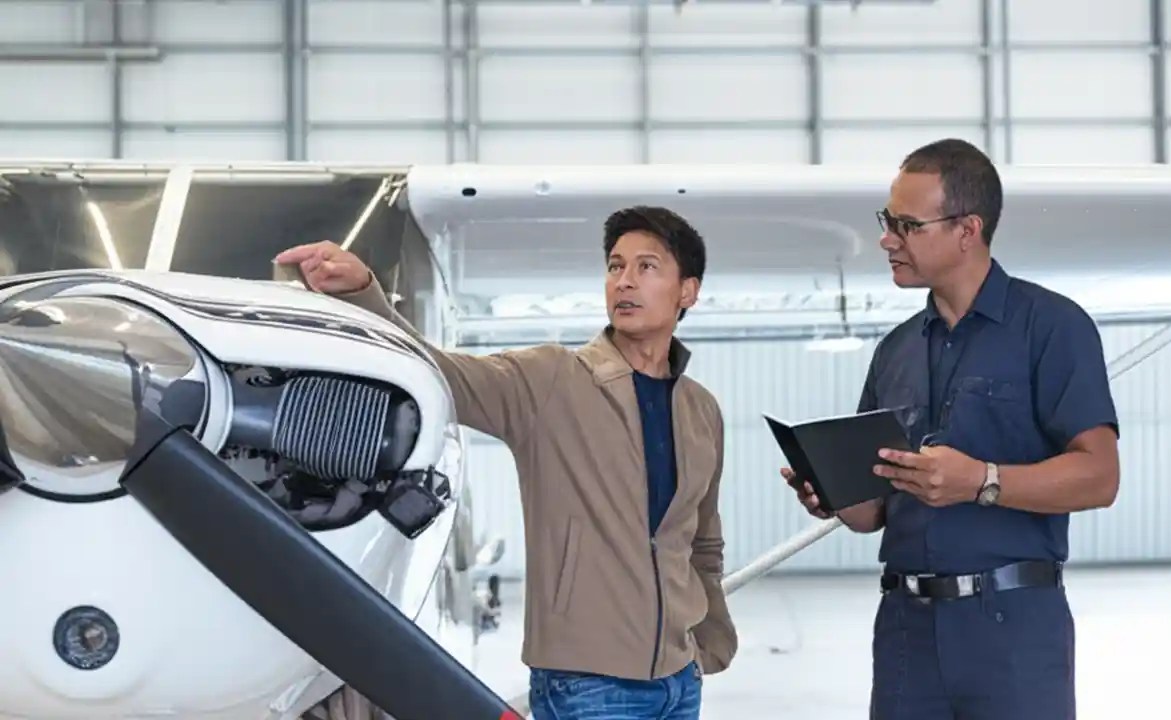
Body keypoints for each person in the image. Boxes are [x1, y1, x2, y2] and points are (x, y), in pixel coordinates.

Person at [275, 206, 736, 720]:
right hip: (587, 684)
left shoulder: (701, 410)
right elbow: (436, 371)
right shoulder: (551, 379)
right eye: (614, 266)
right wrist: (363, 293)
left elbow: (702, 542)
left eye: (646, 267)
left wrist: (708, 638)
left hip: (679, 681)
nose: (624, 282)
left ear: (687, 291)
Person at [785, 138, 1120, 720]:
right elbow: (873, 514)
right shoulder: (894, 351)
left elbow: (1100, 475)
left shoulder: (1053, 327)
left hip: (1013, 630)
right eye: (887, 221)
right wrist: (832, 493)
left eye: (908, 225)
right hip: (905, 633)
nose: (887, 239)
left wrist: (983, 481)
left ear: (968, 229)